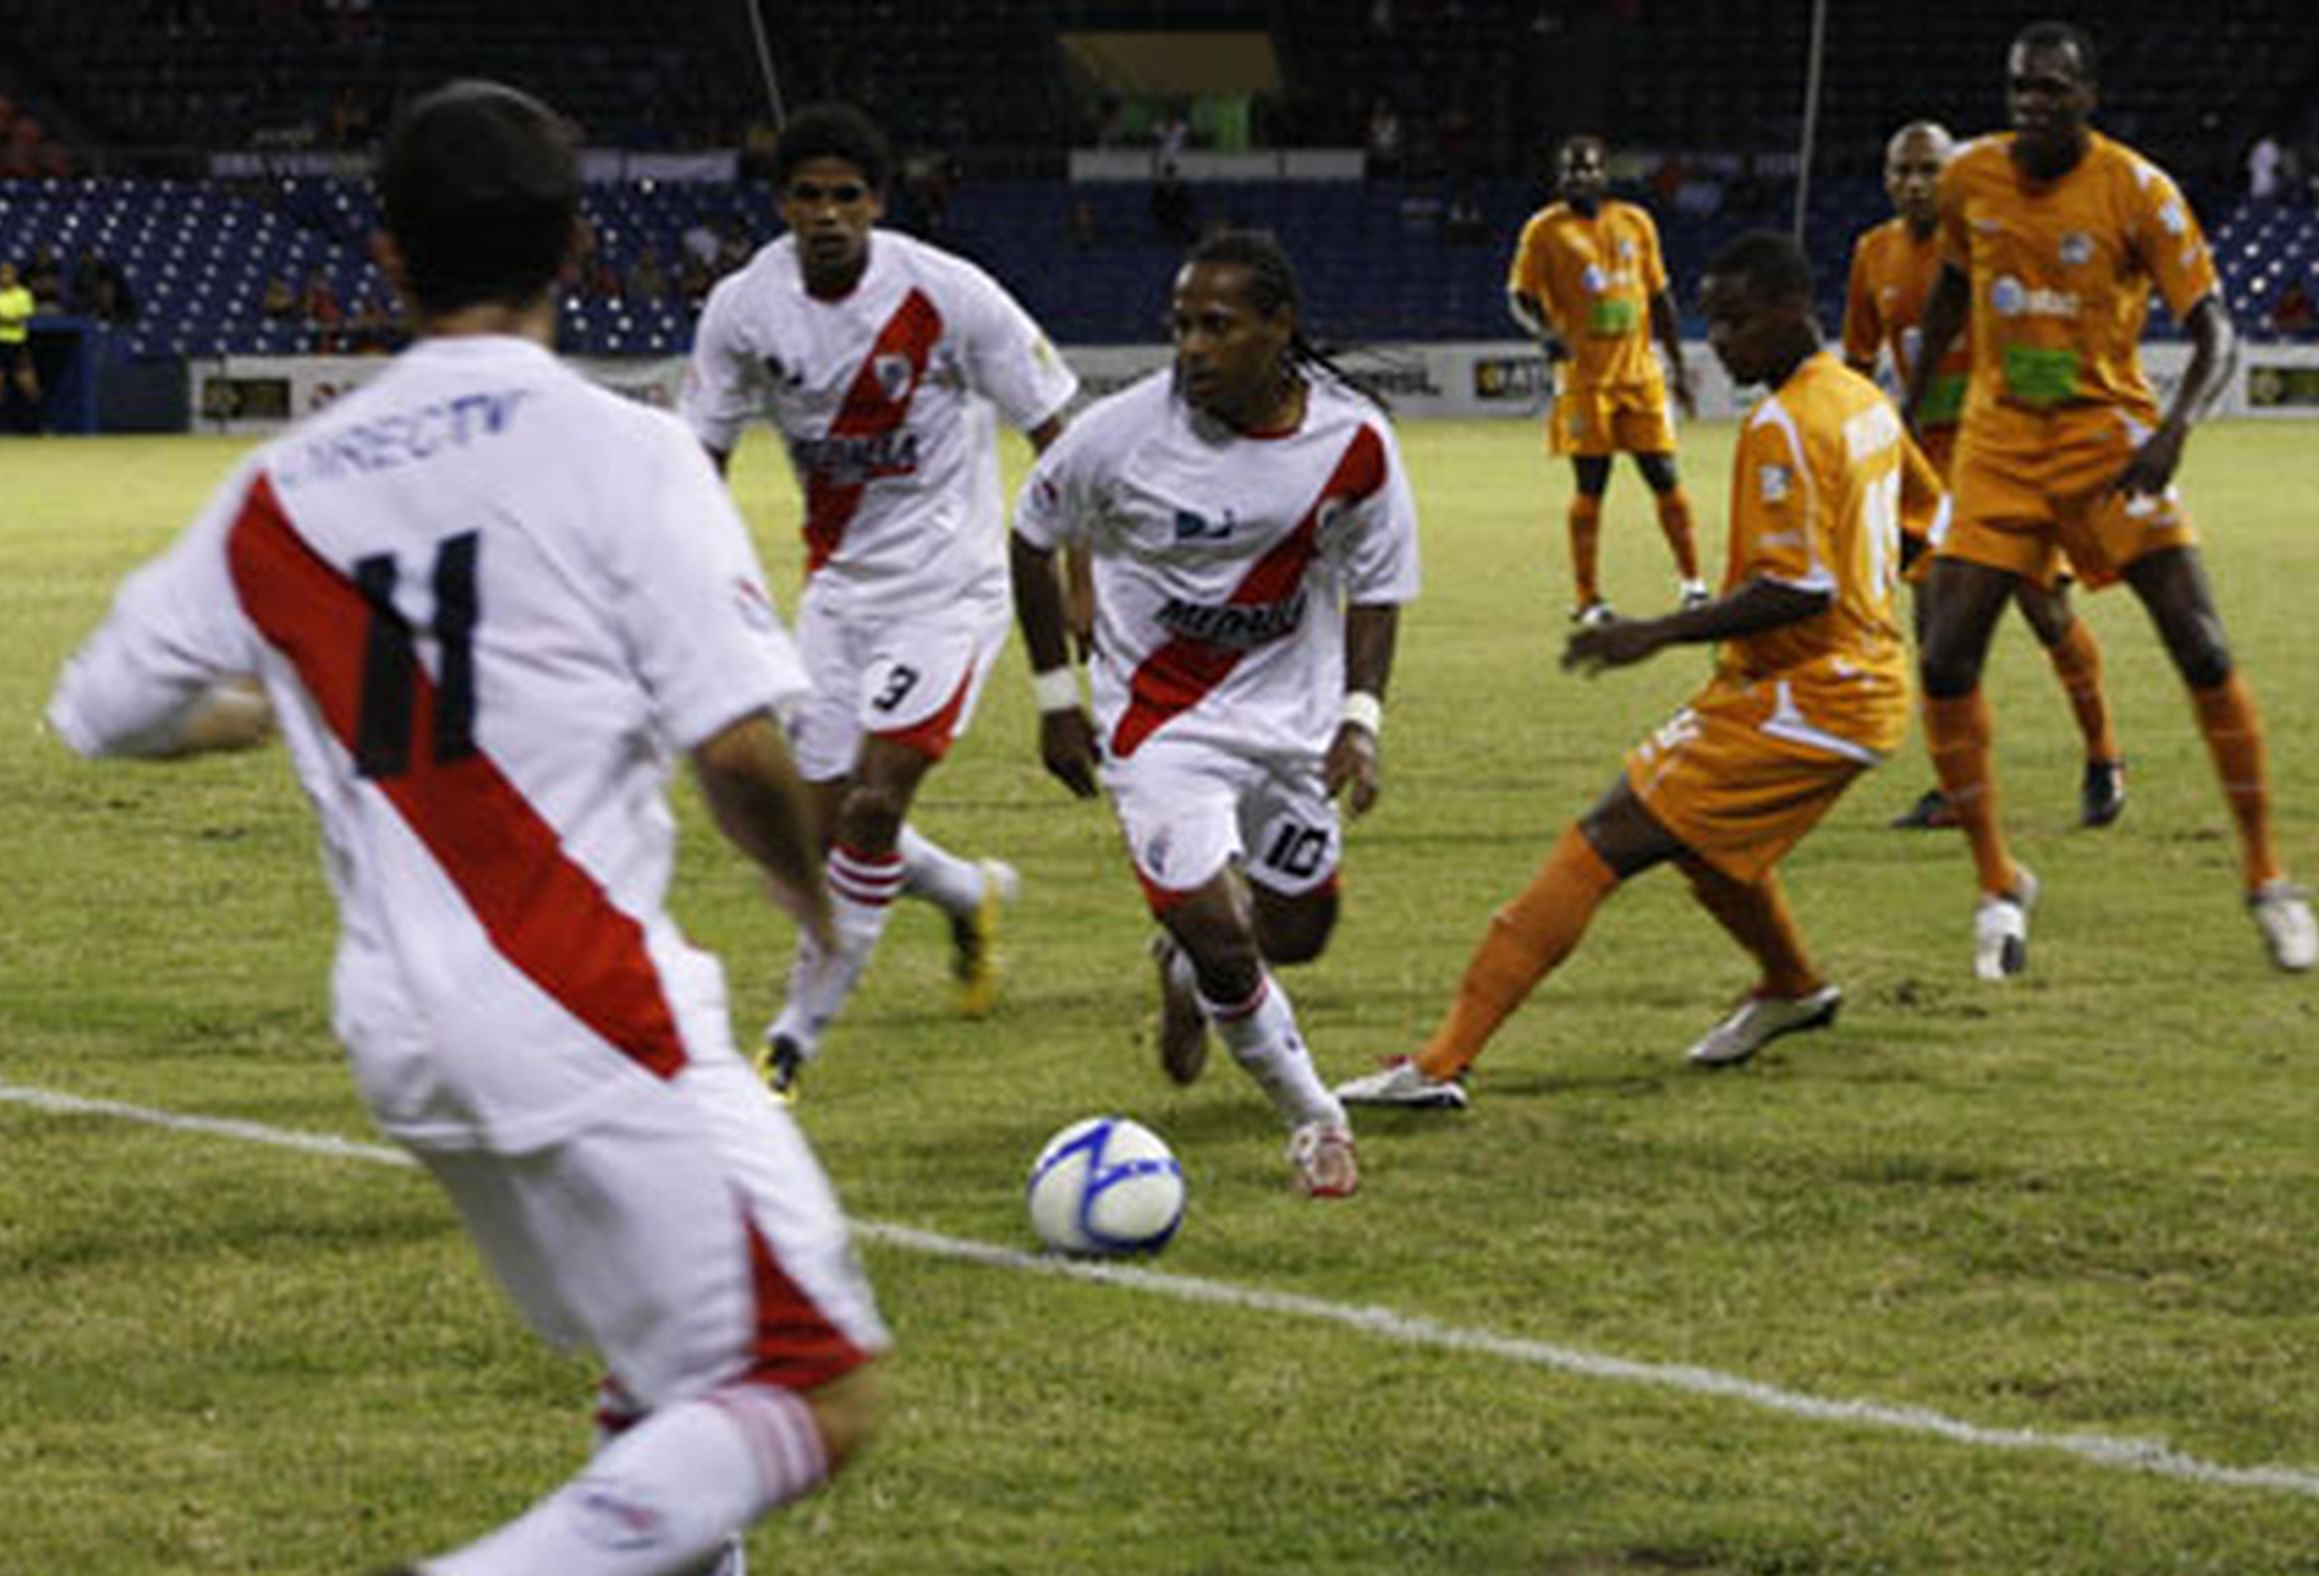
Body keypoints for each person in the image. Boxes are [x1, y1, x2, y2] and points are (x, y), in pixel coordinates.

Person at [46, 81, 885, 1576]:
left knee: (669, 1361)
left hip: (402, 1031)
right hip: (574, 990)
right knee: (815, 1386)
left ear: (385, 258)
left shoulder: (283, 490)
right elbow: (736, 749)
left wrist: (299, 706)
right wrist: (820, 903)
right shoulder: (623, 450)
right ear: (578, 244)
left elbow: (105, 707)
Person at [1338, 230, 1937, 1110]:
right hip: (1840, 682)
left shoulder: (1787, 422)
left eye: (1735, 322)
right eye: (1712, 321)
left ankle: (1439, 1063)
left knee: (1602, 839)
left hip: (1812, 693)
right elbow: (1925, 518)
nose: (1719, 341)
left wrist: (1652, 631)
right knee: (1704, 849)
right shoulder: (1861, 398)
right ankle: (1793, 986)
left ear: (1790, 311)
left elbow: (1797, 588)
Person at [1008, 228, 1419, 1200]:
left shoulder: (1353, 443)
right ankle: (1315, 1118)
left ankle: (1186, 969)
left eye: (1217, 326)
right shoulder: (1116, 435)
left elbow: (1377, 583)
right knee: (1219, 926)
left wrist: (1360, 720)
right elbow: (1030, 537)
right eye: (1181, 325)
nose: (1191, 347)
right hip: (1157, 726)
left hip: (1294, 724)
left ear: (1279, 329)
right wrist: (1054, 700)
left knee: (1298, 930)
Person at [680, 102, 1080, 1099]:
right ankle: (965, 893)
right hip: (838, 595)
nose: (826, 214)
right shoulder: (743, 308)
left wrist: (1080, 572)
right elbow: (698, 464)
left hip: (951, 589)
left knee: (868, 807)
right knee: (817, 828)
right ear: (780, 204)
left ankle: (790, 1042)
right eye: (807, 196)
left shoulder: (949, 296)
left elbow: (1061, 433)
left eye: (846, 196)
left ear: (879, 203)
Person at [1904, 21, 2319, 978]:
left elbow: (2216, 331)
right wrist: (1916, 395)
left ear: (2089, 96)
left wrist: (2174, 430)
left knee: (2202, 643)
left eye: (2051, 90)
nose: (2032, 106)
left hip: (2108, 445)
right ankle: (1999, 885)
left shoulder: (2139, 190)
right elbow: (1951, 293)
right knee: (1945, 659)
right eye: (2019, 91)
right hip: (2001, 447)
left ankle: (2268, 876)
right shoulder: (1971, 178)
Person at [1843, 119, 2127, 832]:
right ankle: (1956, 790)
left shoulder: (1996, 243)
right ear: (1885, 178)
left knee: (2046, 611)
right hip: (1928, 475)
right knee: (1936, 630)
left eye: (1929, 170)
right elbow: (1856, 362)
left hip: (2010, 455)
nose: (1915, 183)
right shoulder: (1871, 254)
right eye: (1901, 170)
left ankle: (2103, 755)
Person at [1507, 134, 1706, 625]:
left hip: (1640, 377)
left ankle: (1694, 585)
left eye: (1588, 168)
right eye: (1571, 170)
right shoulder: (1544, 230)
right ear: (1559, 178)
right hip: (1584, 381)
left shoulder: (1635, 222)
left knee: (1665, 476)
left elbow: (1660, 298)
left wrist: (1678, 369)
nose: (1580, 177)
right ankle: (1588, 598)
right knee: (1591, 486)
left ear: (1604, 174)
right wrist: (1543, 334)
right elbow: (1520, 295)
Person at [0, 259, 43, 433]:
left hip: (18, 345)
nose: (5, 276)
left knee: (30, 388)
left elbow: (20, 320)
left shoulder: (24, 295)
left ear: (15, 276)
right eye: (2, 273)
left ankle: (34, 428)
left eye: (8, 272)